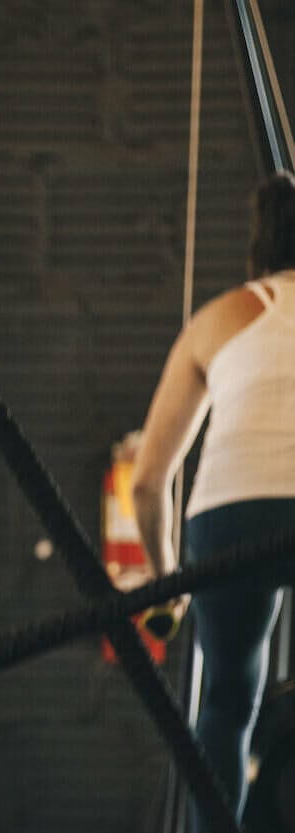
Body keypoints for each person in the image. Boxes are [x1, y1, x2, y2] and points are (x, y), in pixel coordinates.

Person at [131, 170, 295, 832]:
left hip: (228, 510)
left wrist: (168, 578)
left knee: (226, 702)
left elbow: (148, 480)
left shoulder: (218, 317)